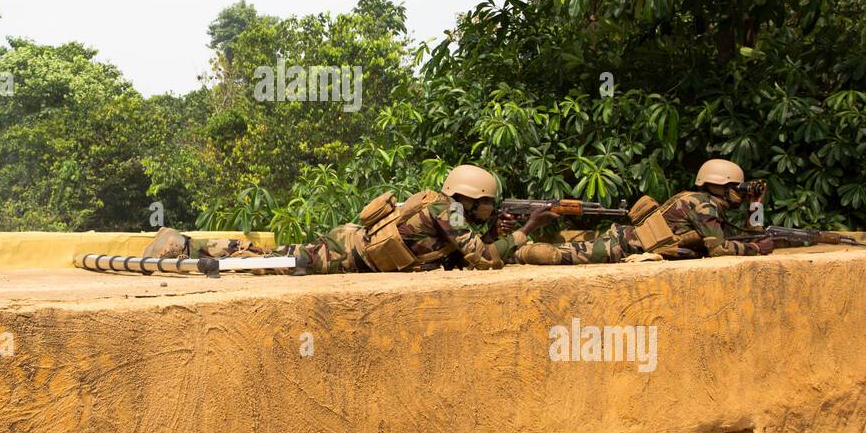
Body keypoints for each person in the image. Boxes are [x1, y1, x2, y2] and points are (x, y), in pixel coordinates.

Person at [143, 164, 553, 274]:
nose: (488, 210)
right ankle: (185, 244)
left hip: (352, 244)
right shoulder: (447, 210)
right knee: (274, 262)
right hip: (345, 253)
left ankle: (187, 243)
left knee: (278, 258)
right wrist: (525, 232)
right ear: (471, 198)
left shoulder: (443, 208)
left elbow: (456, 251)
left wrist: (500, 229)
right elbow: (481, 257)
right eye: (486, 204)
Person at [515, 158, 775, 265]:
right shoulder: (703, 205)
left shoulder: (701, 202)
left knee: (570, 248)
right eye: (737, 189)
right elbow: (720, 249)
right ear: (723, 186)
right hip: (624, 246)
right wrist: (756, 250)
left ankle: (517, 249)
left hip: (628, 241)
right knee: (560, 256)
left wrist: (756, 205)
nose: (740, 195)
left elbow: (747, 236)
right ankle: (516, 252)